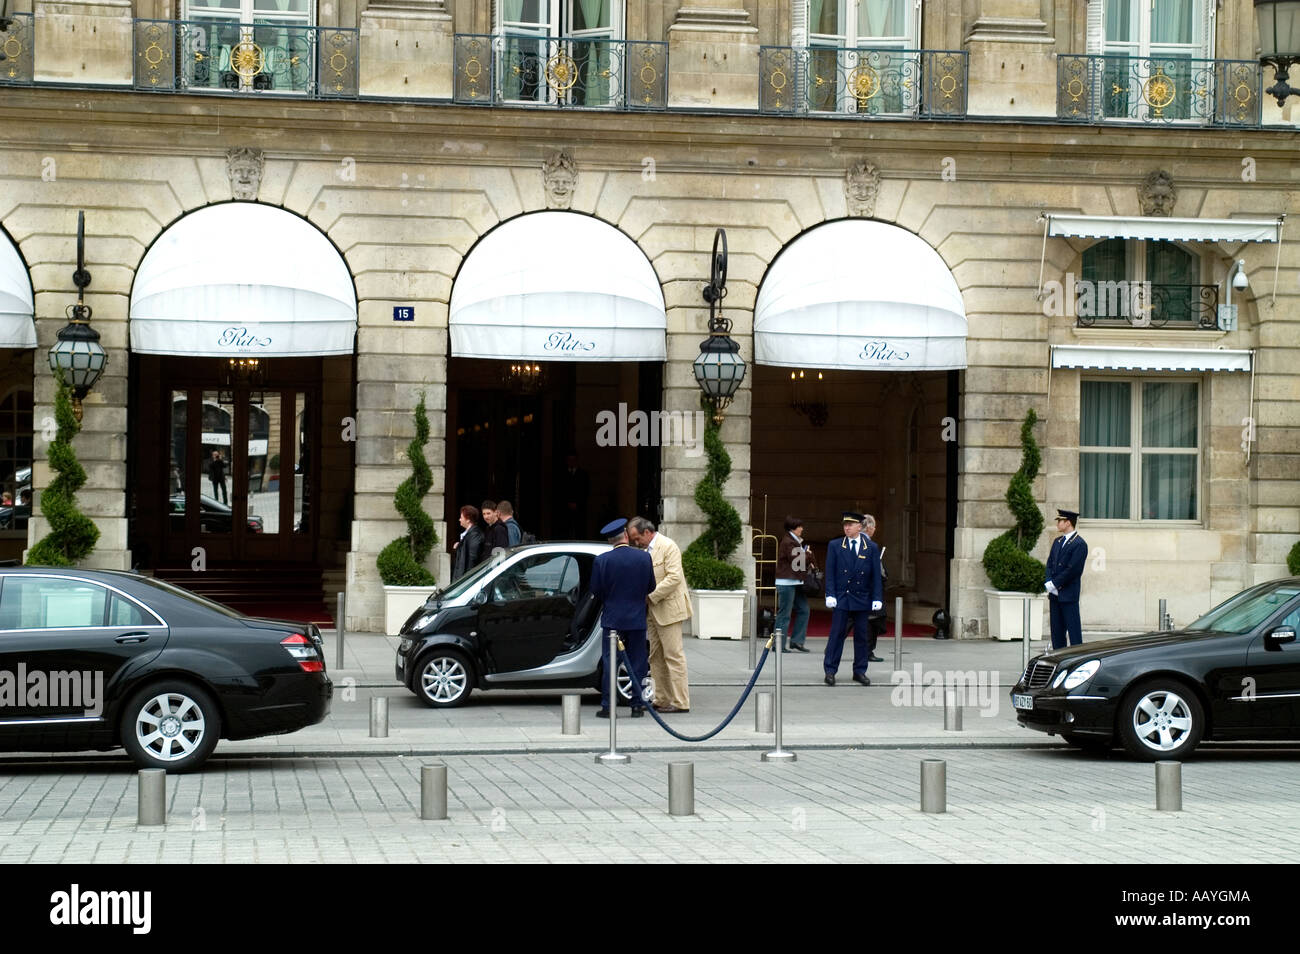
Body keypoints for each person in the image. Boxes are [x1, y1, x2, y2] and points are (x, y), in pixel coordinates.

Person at [590, 518, 656, 719]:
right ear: (626, 535)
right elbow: (651, 587)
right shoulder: (644, 558)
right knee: (639, 663)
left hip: (613, 620)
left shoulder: (602, 561)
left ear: (611, 540)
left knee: (611, 663)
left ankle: (608, 706)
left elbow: (596, 590)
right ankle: (637, 704)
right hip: (636, 618)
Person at [627, 516, 692, 713]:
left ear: (647, 532)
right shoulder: (646, 550)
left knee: (673, 656)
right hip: (654, 611)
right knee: (655, 657)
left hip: (668, 609)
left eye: (637, 538)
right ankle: (661, 698)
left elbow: (674, 578)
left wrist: (650, 596)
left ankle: (681, 702)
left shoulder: (668, 546)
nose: (636, 543)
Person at [823, 511, 883, 687]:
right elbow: (830, 572)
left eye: (850, 525)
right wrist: (830, 594)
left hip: (862, 597)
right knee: (836, 635)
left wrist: (877, 597)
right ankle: (830, 670)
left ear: (859, 527)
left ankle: (860, 670)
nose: (847, 528)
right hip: (842, 596)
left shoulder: (871, 547)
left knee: (862, 637)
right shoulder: (835, 545)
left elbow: (875, 576)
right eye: (845, 525)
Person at [1044, 508, 1088, 649]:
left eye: (1060, 521)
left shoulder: (1079, 544)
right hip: (1055, 595)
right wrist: (1048, 581)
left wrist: (1055, 583)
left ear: (1068, 522)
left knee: (1074, 634)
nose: (1058, 524)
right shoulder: (1057, 541)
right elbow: (1050, 563)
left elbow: (1073, 570)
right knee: (1056, 633)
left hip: (1068, 594)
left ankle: (1078, 663)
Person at [774, 515, 814, 653]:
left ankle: (797, 641)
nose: (802, 529)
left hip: (795, 581)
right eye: (800, 526)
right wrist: (808, 554)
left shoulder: (794, 541)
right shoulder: (789, 541)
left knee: (804, 610)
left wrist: (805, 554)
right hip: (786, 582)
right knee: (784, 614)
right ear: (793, 528)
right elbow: (798, 561)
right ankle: (778, 644)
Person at [863, 514, 887, 662]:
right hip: (868, 590)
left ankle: (868, 650)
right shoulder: (870, 545)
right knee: (872, 621)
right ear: (869, 528)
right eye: (874, 527)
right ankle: (868, 650)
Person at [557, 451, 589, 539]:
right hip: (564, 509)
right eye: (569, 460)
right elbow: (559, 491)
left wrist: (577, 503)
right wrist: (567, 503)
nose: (571, 462)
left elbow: (585, 491)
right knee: (565, 532)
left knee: (580, 531)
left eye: (573, 460)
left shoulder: (583, 474)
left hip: (579, 508)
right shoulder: (561, 475)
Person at [451, 505, 487, 581]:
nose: (459, 519)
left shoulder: (475, 535)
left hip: (466, 580)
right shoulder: (469, 534)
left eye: (461, 517)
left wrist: (467, 582)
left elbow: (472, 560)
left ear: (468, 520)